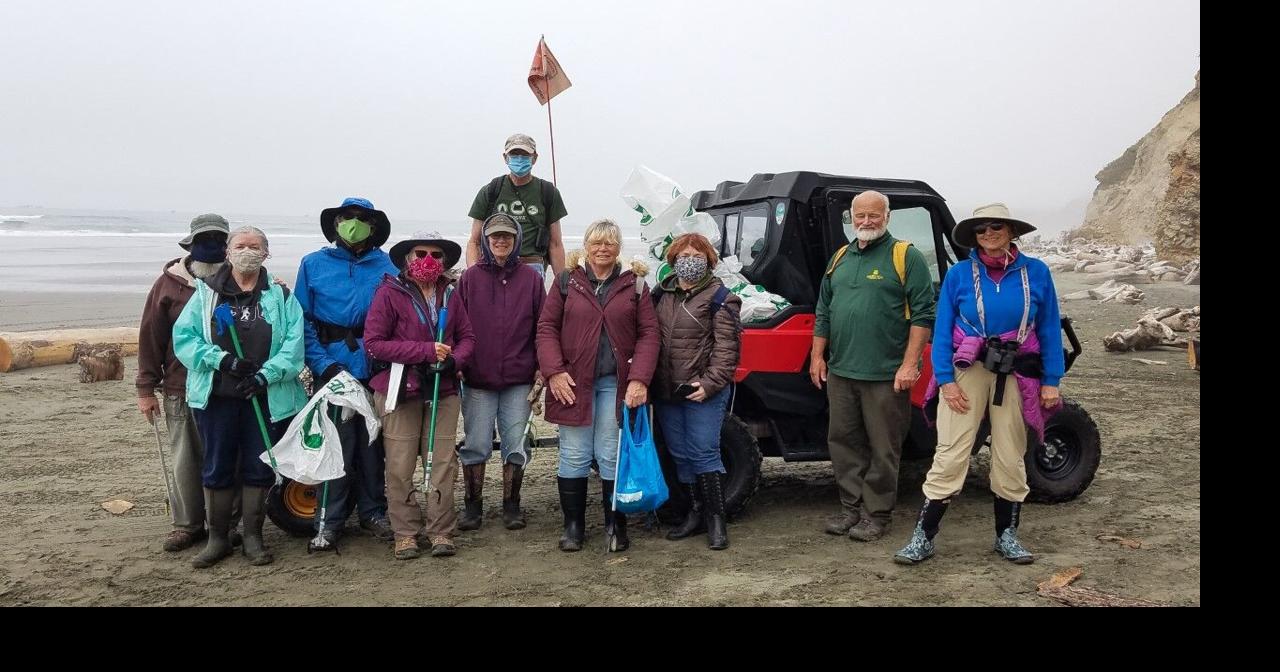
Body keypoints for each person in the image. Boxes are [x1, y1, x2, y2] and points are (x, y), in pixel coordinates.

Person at [893, 203, 1063, 565]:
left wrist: (1051, 380)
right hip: (968, 370)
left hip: (1017, 371)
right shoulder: (958, 274)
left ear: (1011, 231)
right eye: (981, 229)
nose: (988, 234)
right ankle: (923, 537)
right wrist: (945, 382)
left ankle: (1007, 536)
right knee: (951, 451)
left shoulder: (1037, 273)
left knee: (1010, 453)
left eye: (996, 226)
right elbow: (942, 333)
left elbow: (1048, 328)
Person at [173, 226, 308, 568]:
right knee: (217, 465)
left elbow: (294, 347)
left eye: (255, 246)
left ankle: (253, 537)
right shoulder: (205, 295)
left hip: (265, 397)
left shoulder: (281, 296)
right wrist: (223, 360)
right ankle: (218, 538)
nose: (248, 251)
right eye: (241, 245)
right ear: (229, 252)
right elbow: (185, 339)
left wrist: (266, 375)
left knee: (258, 466)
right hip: (218, 396)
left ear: (266, 253)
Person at [810, 190, 936, 542]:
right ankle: (851, 509)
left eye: (874, 215)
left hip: (885, 374)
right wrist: (818, 357)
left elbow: (923, 314)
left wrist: (910, 365)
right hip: (842, 371)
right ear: (851, 218)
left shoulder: (905, 256)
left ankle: (877, 515)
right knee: (844, 442)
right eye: (860, 216)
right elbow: (824, 310)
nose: (866, 222)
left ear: (887, 217)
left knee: (884, 448)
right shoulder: (839, 258)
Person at [536, 219, 659, 552]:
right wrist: (554, 372)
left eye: (610, 242)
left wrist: (639, 379)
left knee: (609, 454)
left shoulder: (635, 285)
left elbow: (649, 334)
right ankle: (574, 527)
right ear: (586, 246)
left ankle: (614, 524)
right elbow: (546, 328)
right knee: (574, 455)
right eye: (596, 242)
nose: (602, 248)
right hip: (573, 382)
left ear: (619, 248)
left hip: (615, 384)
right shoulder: (565, 282)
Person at [294, 197, 398, 550]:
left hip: (376, 368)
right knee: (335, 444)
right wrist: (324, 365)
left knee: (373, 447)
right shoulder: (313, 264)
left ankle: (373, 512)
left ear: (373, 226)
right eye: (347, 218)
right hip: (332, 368)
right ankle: (329, 520)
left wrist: (384, 363)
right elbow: (302, 323)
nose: (354, 224)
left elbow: (400, 317)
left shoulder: (388, 267)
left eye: (362, 218)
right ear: (336, 223)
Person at [365, 231, 474, 559]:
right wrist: (425, 352)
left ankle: (441, 530)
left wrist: (454, 360)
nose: (428, 260)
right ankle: (406, 532)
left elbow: (467, 336)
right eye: (420, 253)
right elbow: (374, 343)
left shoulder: (451, 293)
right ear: (407, 259)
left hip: (443, 390)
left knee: (441, 462)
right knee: (399, 465)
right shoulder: (388, 293)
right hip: (401, 389)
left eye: (436, 254)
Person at [137, 213, 241, 552]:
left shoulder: (241, 281)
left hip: (229, 388)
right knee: (185, 458)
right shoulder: (169, 283)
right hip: (180, 387)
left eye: (217, 240)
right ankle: (188, 524)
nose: (210, 246)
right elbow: (151, 337)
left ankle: (226, 525)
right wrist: (145, 388)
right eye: (203, 240)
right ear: (191, 244)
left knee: (228, 456)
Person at [651, 233, 741, 550]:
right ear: (673, 260)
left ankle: (717, 521)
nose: (690, 260)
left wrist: (710, 384)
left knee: (704, 452)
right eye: (684, 255)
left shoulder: (722, 297)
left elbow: (727, 351)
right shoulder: (661, 294)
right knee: (680, 454)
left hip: (702, 391)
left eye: (697, 255)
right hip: (667, 392)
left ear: (708, 260)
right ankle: (695, 513)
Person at [455, 213, 544, 532]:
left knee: (516, 444)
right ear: (486, 241)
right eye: (495, 236)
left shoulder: (532, 279)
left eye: (507, 235)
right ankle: (473, 508)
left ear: (516, 239)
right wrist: (460, 365)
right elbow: (457, 327)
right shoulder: (469, 279)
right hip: (478, 379)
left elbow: (542, 327)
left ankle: (512, 505)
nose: (501, 241)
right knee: (476, 443)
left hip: (519, 380)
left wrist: (541, 368)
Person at [465, 133, 567, 277]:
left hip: (532, 265)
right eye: (514, 154)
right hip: (494, 264)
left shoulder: (548, 192)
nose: (519, 159)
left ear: (534, 158)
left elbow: (556, 243)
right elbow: (474, 242)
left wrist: (561, 284)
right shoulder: (490, 191)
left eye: (525, 155)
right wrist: (473, 275)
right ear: (505, 158)